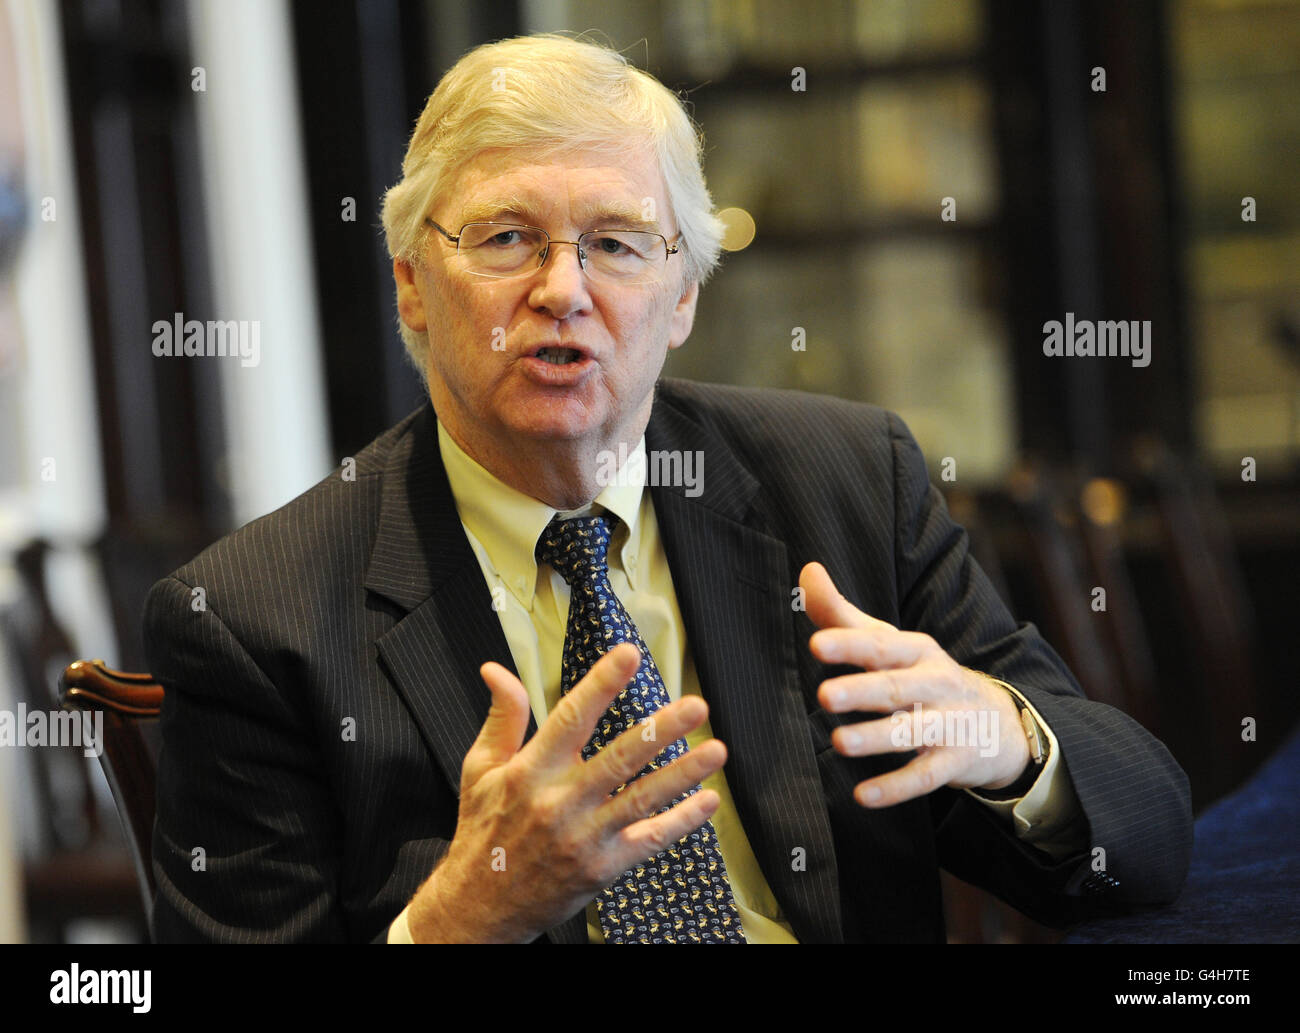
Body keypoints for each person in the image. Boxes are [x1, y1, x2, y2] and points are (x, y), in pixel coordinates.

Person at [143, 33, 1192, 943]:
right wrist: (467, 915)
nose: (563, 290)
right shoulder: (256, 618)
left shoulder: (841, 483)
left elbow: (1148, 836)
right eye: (506, 238)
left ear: (682, 293)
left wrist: (1004, 738)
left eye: (615, 243)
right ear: (412, 282)